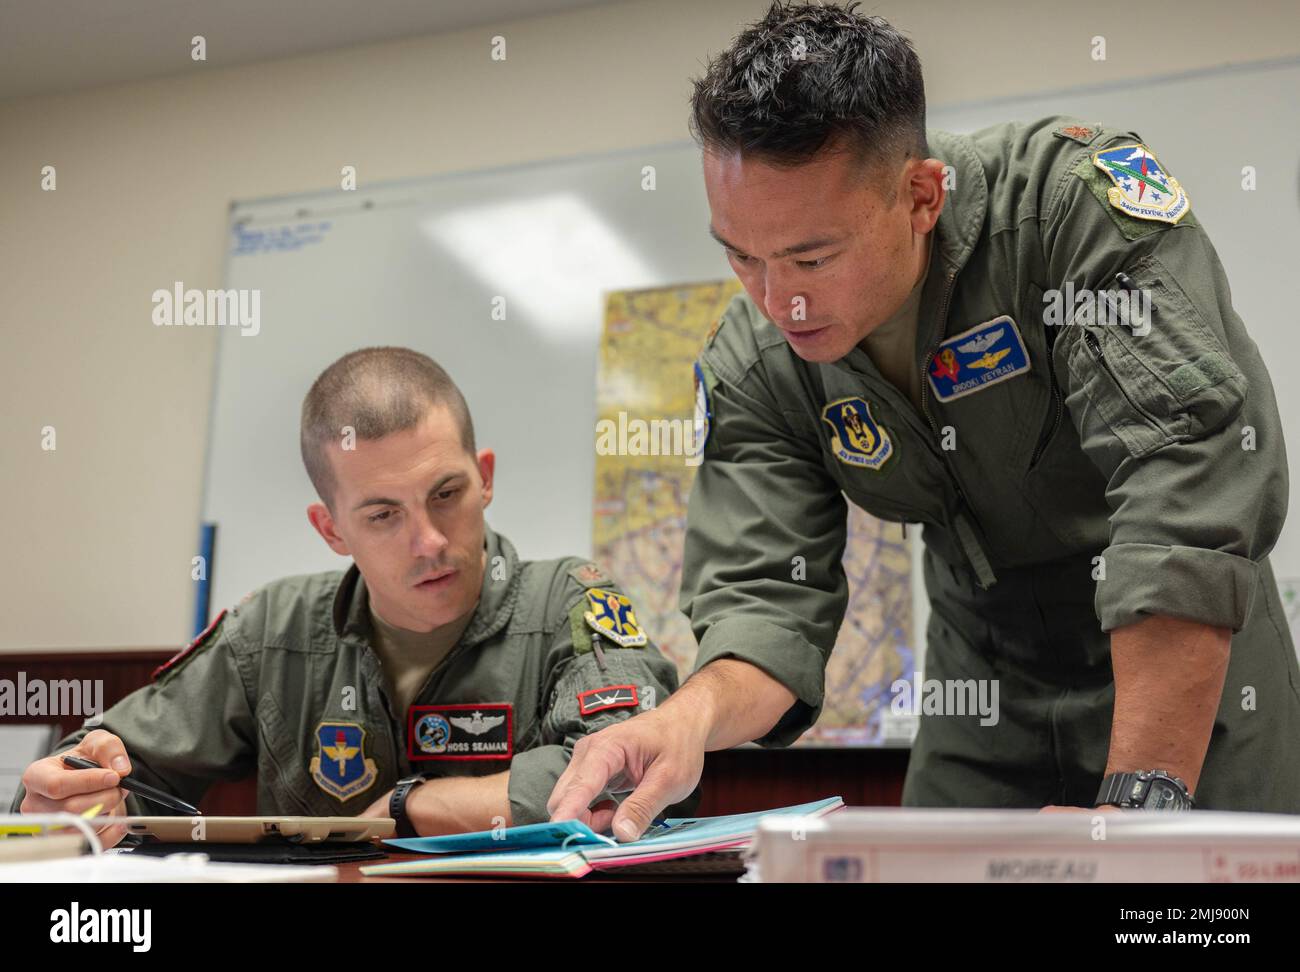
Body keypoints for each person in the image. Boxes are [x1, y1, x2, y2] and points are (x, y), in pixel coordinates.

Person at [549, 1, 1300, 839]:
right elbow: (768, 604)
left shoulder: (1069, 216)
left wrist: (1138, 803)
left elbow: (1184, 487)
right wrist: (683, 719)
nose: (775, 299)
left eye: (811, 257)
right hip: (982, 682)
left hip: (1187, 665)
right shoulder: (758, 360)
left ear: (920, 196)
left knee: (1184, 921)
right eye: (740, 254)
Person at [15, 347, 686, 845]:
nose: (428, 541)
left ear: (484, 478)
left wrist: (409, 808)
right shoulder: (269, 630)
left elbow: (629, 768)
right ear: (331, 528)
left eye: (446, 494)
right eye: (383, 515)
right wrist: (62, 800)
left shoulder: (570, 605)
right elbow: (114, 773)